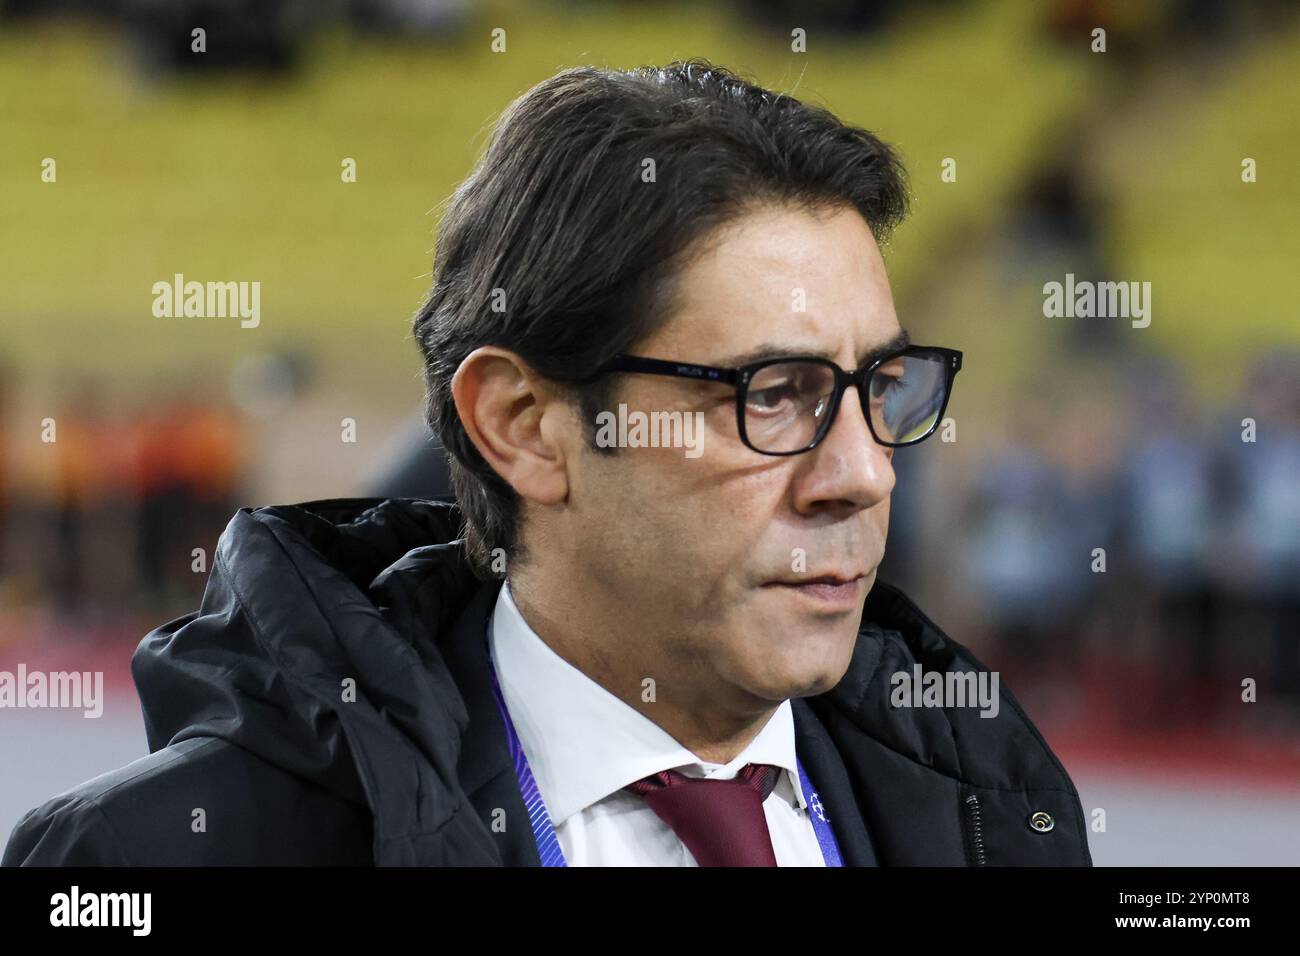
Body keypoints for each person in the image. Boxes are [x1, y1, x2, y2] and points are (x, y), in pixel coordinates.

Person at [4, 60, 1090, 867]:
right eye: (772, 393)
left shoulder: (1001, 812)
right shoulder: (142, 861)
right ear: (524, 425)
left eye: (881, 385)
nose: (863, 473)